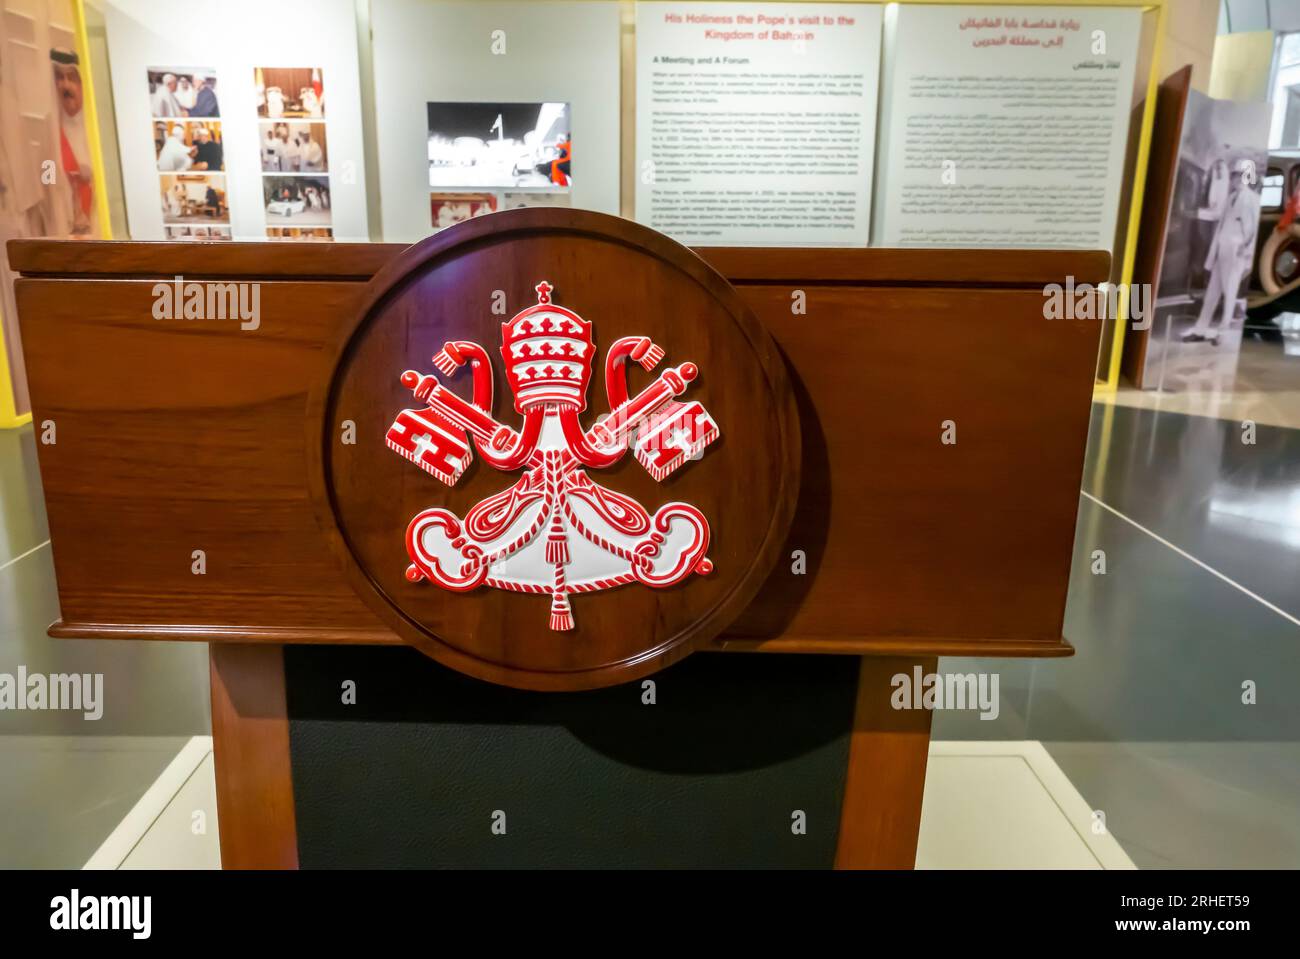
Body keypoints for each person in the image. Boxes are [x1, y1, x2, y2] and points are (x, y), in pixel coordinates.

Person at [1184, 172, 1262, 345]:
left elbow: (1253, 227)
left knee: (1230, 292)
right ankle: (1200, 330)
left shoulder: (1252, 199)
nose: (1233, 181)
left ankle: (1222, 333)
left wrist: (1245, 249)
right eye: (1233, 177)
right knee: (1212, 293)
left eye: (1237, 177)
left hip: (1236, 251)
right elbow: (1222, 221)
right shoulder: (1231, 197)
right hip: (1221, 249)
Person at [50, 48, 94, 236]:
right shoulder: (49, 127)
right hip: (64, 225)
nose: (65, 86)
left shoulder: (96, 126)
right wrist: (57, 178)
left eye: (71, 78)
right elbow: (47, 174)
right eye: (59, 78)